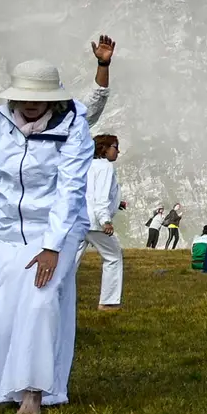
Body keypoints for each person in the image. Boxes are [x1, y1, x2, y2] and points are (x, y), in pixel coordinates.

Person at [0, 60, 94, 414]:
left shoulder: (74, 126)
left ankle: (33, 395)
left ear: (53, 98)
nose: (30, 104)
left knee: (39, 301)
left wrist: (51, 247)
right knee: (0, 310)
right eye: (24, 97)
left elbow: (70, 189)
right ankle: (0, 387)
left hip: (55, 230)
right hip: (3, 230)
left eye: (39, 97)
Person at [82, 132, 126, 309]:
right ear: (104, 149)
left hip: (80, 220)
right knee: (113, 257)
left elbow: (88, 193)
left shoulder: (86, 165)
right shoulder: (105, 166)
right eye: (115, 147)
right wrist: (105, 220)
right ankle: (108, 302)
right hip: (95, 222)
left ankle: (55, 296)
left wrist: (117, 203)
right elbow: (99, 197)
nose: (118, 151)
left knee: (69, 262)